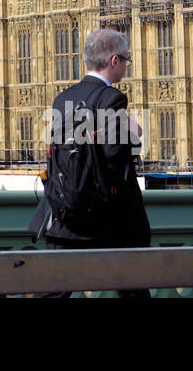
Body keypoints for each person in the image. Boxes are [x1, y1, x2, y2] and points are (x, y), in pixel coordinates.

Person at [28, 27, 151, 298]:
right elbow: (112, 155)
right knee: (133, 287)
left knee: (52, 292)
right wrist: (132, 132)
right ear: (114, 61)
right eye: (126, 60)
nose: (126, 67)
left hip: (65, 211)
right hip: (108, 218)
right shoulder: (112, 98)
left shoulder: (62, 98)